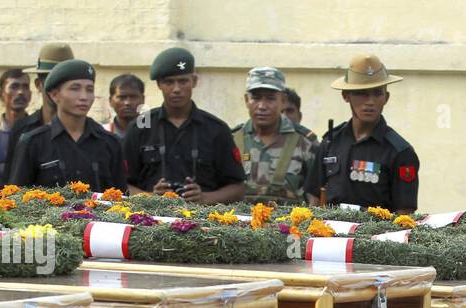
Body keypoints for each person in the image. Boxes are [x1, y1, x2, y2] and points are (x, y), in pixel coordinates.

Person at [122, 47, 245, 204]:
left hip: (204, 222)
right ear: (159, 84)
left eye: (183, 81)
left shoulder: (216, 129)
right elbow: (121, 183)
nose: (177, 89)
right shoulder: (140, 127)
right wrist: (150, 197)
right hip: (150, 221)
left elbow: (238, 188)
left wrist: (204, 198)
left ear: (194, 81)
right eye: (169, 82)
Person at [303, 55, 419, 213]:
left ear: (386, 98)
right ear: (346, 96)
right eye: (362, 93)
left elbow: (404, 212)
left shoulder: (400, 152)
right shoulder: (331, 141)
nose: (370, 101)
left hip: (375, 235)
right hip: (329, 233)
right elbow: (314, 197)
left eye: (377, 93)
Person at [8, 60, 124, 191]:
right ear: (54, 95)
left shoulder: (110, 142)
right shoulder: (33, 143)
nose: (84, 97)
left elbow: (121, 198)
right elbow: (16, 199)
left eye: (89, 89)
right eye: (75, 89)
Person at [233, 67, 315, 204]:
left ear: (283, 100)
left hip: (289, 224)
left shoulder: (304, 142)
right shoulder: (232, 140)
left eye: (270, 99)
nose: (262, 106)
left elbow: (316, 195)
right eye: (256, 98)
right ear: (246, 99)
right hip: (235, 224)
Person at [6, 43, 75, 179]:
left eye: (66, 83)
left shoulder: (90, 133)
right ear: (39, 84)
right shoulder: (22, 131)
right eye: (53, 81)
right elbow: (10, 187)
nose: (59, 90)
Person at [0, 69, 31, 192]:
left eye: (25, 87)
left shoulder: (39, 132)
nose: (20, 92)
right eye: (14, 87)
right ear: (0, 94)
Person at [104, 73, 144, 138]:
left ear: (143, 100)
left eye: (133, 97)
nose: (127, 103)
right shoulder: (101, 134)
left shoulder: (153, 133)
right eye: (122, 97)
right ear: (110, 101)